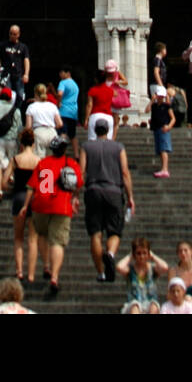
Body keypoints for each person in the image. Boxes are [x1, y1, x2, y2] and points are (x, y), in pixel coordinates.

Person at [17, 134, 82, 299]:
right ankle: (54, 276)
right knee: (58, 242)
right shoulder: (71, 164)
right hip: (61, 205)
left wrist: (25, 205)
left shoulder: (43, 163)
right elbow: (78, 184)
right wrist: (75, 198)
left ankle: (46, 264)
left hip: (40, 205)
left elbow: (31, 186)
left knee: (42, 235)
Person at [79, 116, 135, 282]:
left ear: (95, 131)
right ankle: (110, 253)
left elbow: (81, 172)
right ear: (108, 131)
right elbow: (125, 172)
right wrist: (130, 196)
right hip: (114, 191)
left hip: (93, 190)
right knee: (115, 231)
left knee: (95, 234)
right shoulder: (118, 147)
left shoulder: (86, 146)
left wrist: (75, 194)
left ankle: (101, 272)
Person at [5, 128, 40, 285]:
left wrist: (12, 183)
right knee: (33, 239)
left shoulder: (16, 159)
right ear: (33, 143)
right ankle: (31, 274)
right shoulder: (39, 161)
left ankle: (19, 271)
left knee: (18, 237)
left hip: (19, 196)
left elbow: (4, 182)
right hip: (34, 199)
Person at [117, 237, 170, 314]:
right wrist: (130, 256)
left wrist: (153, 256)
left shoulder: (153, 269)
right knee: (135, 307)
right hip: (133, 303)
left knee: (154, 306)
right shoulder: (130, 270)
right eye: (138, 253)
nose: (142, 256)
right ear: (134, 254)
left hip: (150, 302)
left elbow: (165, 267)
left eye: (144, 253)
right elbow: (119, 267)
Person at [84, 66, 122, 140]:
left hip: (95, 115)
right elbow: (116, 94)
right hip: (108, 116)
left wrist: (86, 119)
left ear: (96, 79)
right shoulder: (111, 91)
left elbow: (89, 105)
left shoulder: (92, 90)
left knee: (93, 139)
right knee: (108, 140)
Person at [26, 83, 63, 159]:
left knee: (39, 159)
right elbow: (60, 123)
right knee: (52, 158)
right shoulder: (52, 106)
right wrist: (53, 127)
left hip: (38, 132)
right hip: (51, 132)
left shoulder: (31, 107)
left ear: (35, 93)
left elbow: (28, 126)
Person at [146, 85, 176, 177]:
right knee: (160, 150)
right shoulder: (154, 105)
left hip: (163, 128)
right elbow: (146, 110)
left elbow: (173, 118)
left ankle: (165, 169)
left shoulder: (167, 106)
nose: (160, 97)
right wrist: (151, 100)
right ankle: (163, 168)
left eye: (161, 96)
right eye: (159, 96)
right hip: (156, 128)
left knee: (163, 149)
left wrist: (169, 127)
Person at [0, 25, 30, 108]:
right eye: (11, 33)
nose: (12, 36)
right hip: (6, 74)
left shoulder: (23, 47)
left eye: (14, 34)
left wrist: (26, 74)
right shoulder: (2, 45)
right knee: (7, 94)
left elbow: (26, 60)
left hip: (18, 74)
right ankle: (8, 111)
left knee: (20, 94)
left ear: (18, 34)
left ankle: (17, 111)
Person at [57, 66, 80, 151]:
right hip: (73, 112)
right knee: (72, 135)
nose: (60, 75)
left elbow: (60, 94)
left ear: (68, 73)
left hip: (64, 111)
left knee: (63, 133)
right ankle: (76, 154)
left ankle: (61, 152)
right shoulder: (75, 84)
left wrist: (58, 102)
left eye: (62, 72)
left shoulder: (63, 83)